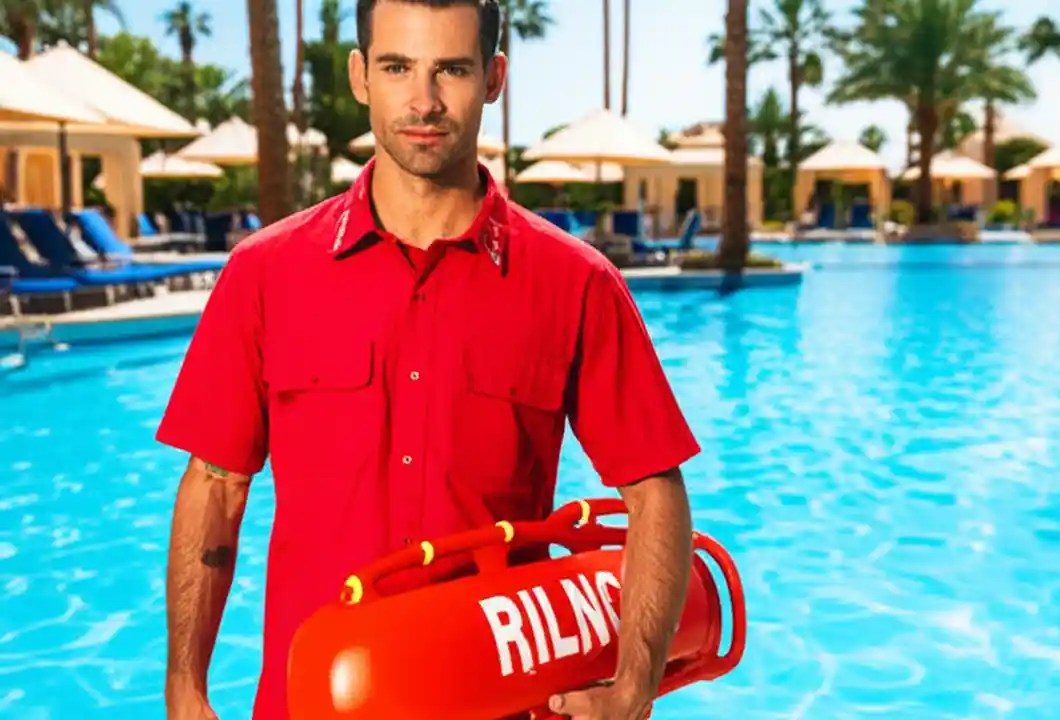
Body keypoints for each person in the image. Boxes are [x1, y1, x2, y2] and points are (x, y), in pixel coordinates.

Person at [157, 1, 701, 719]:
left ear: (494, 76)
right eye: (397, 67)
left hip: (500, 701)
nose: (424, 100)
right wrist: (185, 686)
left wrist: (634, 687)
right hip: (314, 698)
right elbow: (216, 484)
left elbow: (653, 486)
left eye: (451, 69)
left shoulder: (576, 283)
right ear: (360, 76)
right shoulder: (265, 274)